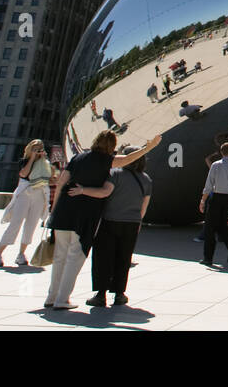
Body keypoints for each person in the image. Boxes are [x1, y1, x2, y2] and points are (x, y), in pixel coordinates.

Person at [43, 131, 161, 310]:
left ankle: (51, 297)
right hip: (85, 213)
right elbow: (128, 159)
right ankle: (62, 299)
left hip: (64, 210)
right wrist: (149, 147)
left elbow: (61, 182)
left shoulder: (78, 158)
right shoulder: (107, 161)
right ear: (112, 146)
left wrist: (54, 209)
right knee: (75, 256)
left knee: (59, 256)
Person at [87, 155, 152, 307]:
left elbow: (105, 192)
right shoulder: (146, 179)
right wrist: (138, 221)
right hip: (132, 223)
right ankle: (119, 294)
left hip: (110, 221)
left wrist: (83, 190)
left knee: (103, 258)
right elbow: (144, 205)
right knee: (124, 258)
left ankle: (100, 294)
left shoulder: (115, 174)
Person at [0, 140, 55, 267]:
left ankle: (21, 253)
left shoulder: (44, 163)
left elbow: (52, 177)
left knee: (31, 225)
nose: (37, 151)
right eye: (35, 148)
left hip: (39, 194)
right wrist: (32, 158)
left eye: (39, 149)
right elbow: (24, 174)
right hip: (25, 193)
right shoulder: (24, 161)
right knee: (15, 223)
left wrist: (45, 161)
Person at [199, 142, 228, 266]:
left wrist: (203, 200)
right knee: (222, 225)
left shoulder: (216, 165)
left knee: (209, 228)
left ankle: (208, 257)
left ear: (222, 152)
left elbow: (209, 184)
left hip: (217, 197)